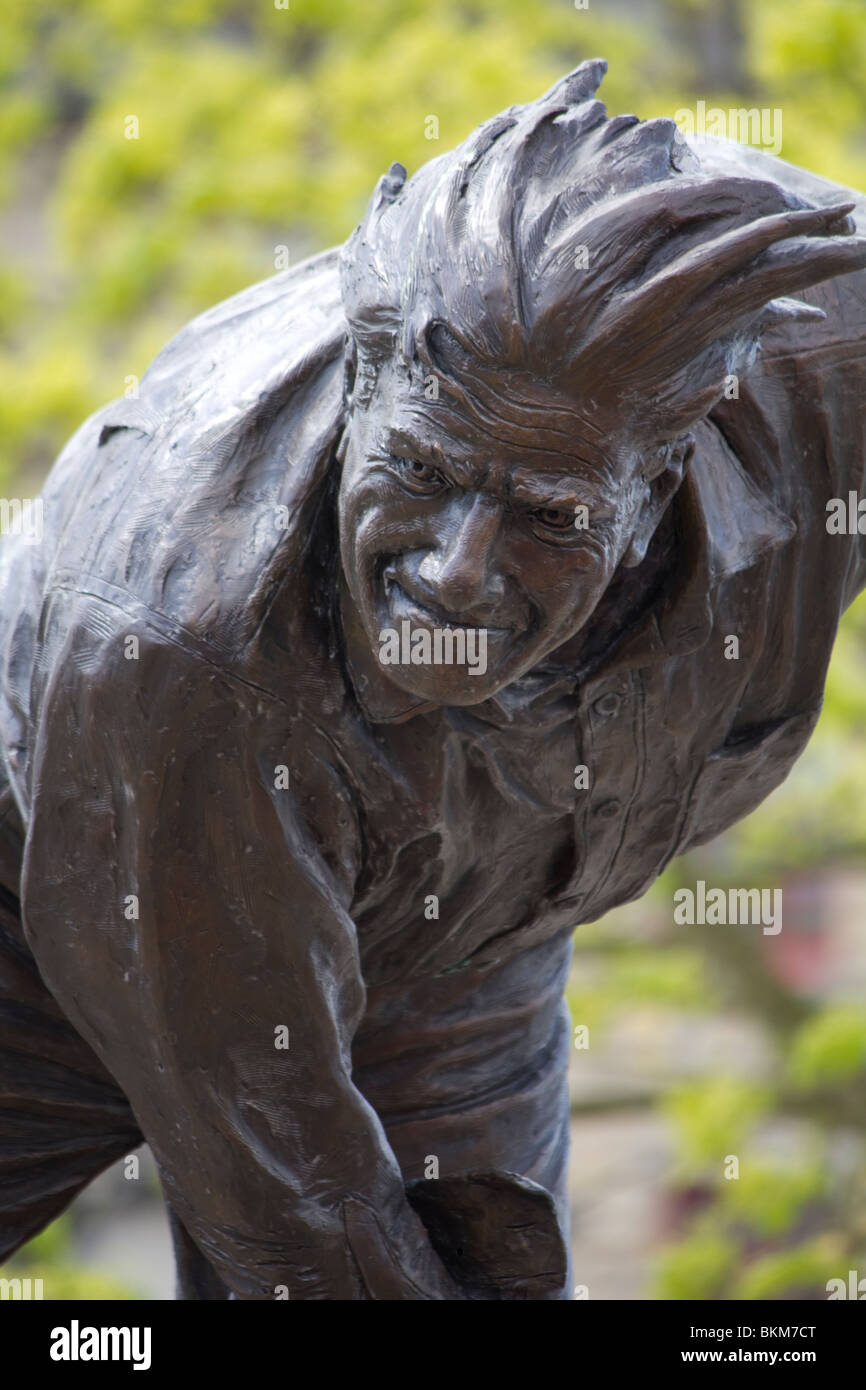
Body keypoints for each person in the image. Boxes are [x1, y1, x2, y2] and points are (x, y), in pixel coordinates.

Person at [1, 60, 865, 1299]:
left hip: (455, 911)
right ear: (362, 390)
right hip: (68, 880)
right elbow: (292, 1214)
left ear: (666, 470)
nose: (458, 572)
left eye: (546, 512)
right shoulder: (175, 638)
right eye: (418, 467)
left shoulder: (816, 362)